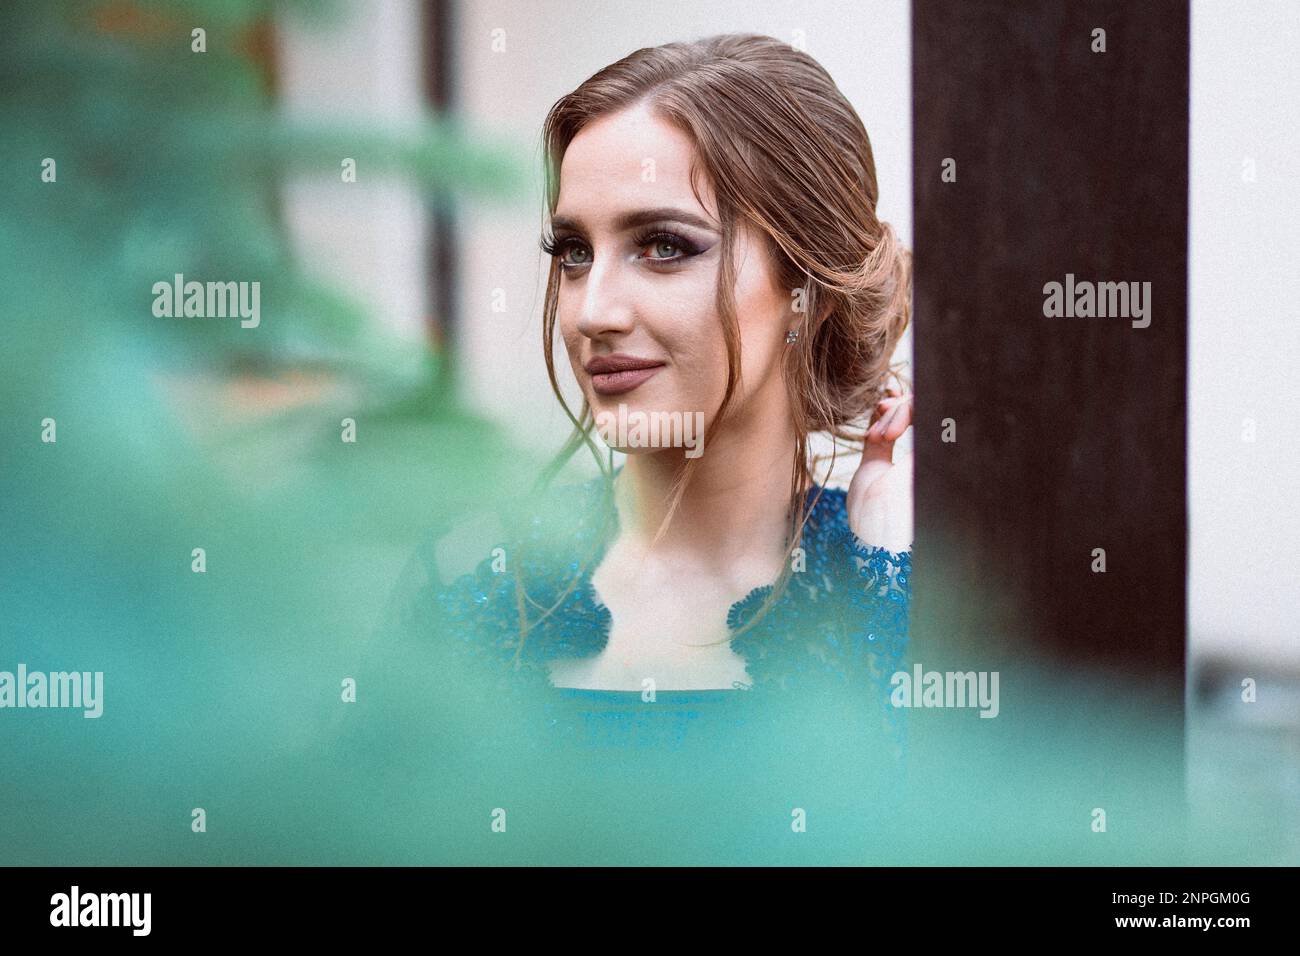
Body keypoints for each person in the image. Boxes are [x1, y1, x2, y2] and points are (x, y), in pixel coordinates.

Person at [389, 33, 913, 756]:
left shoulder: (905, 598)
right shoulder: (471, 590)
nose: (592, 311)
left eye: (664, 246)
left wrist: (882, 590)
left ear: (808, 290)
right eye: (574, 253)